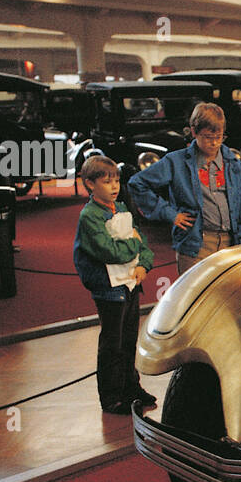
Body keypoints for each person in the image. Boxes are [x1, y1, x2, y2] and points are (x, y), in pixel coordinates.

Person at [128, 102, 241, 276]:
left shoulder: (233, 164)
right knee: (196, 301)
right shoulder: (176, 161)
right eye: (208, 137)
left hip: (231, 244)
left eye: (219, 136)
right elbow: (137, 183)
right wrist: (169, 213)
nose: (215, 143)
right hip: (196, 246)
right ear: (194, 132)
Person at [73, 156, 157, 415]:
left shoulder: (121, 208)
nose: (114, 186)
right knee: (113, 342)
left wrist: (143, 264)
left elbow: (142, 245)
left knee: (129, 338)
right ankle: (111, 396)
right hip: (109, 288)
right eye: (106, 181)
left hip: (130, 284)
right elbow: (109, 251)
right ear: (89, 184)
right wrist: (131, 243)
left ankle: (131, 387)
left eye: (117, 180)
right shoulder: (89, 216)